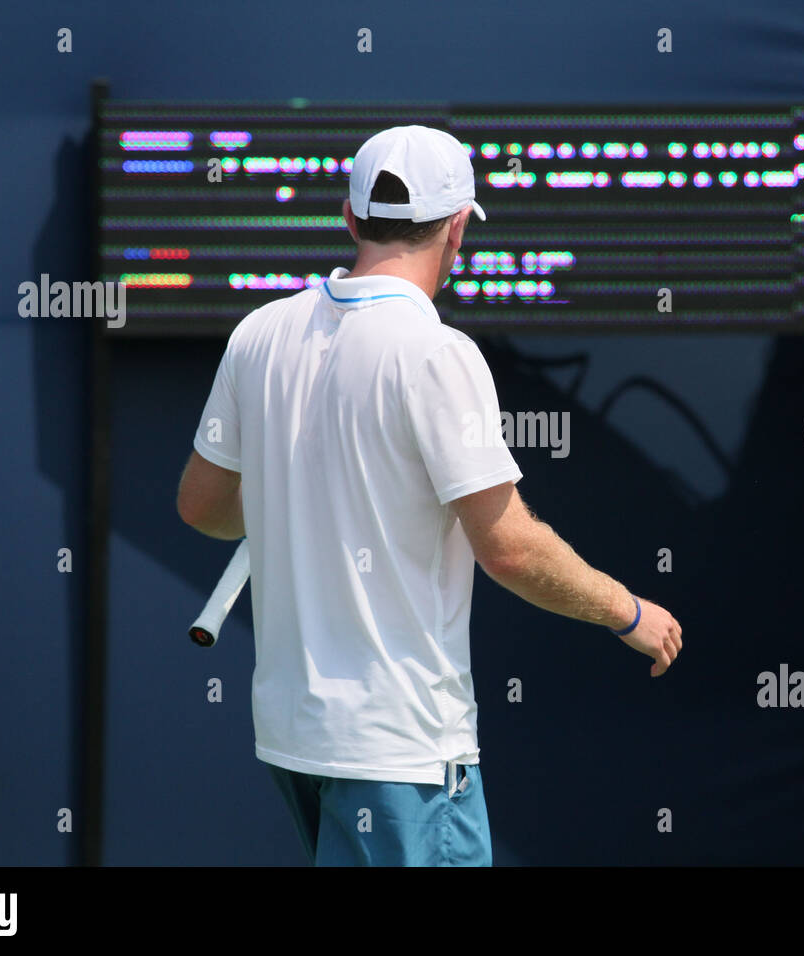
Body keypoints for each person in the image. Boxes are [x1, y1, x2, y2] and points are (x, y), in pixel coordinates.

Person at [176, 125, 682, 866]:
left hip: (293, 742)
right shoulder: (439, 354)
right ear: (456, 230)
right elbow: (508, 548)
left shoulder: (258, 334)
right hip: (402, 754)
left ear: (349, 220)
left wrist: (301, 500)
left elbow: (202, 506)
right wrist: (627, 611)